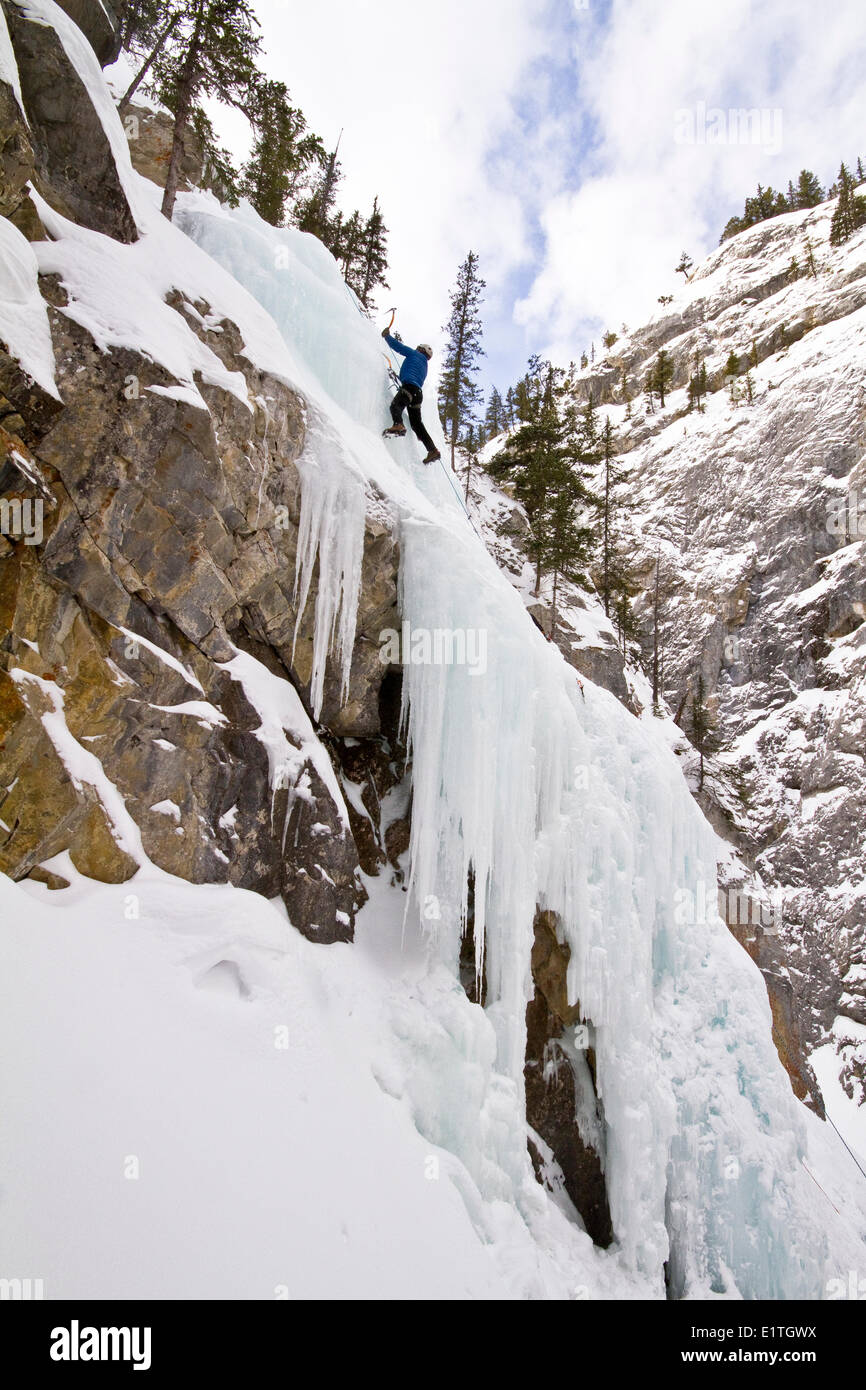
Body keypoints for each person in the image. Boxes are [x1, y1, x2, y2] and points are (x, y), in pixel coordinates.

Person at [381, 327, 441, 464]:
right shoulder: (424, 366)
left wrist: (387, 337)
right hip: (417, 394)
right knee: (416, 424)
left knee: (395, 406)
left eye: (418, 348)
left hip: (409, 387)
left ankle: (398, 425)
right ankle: (432, 450)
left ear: (421, 350)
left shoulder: (415, 354)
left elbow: (399, 347)